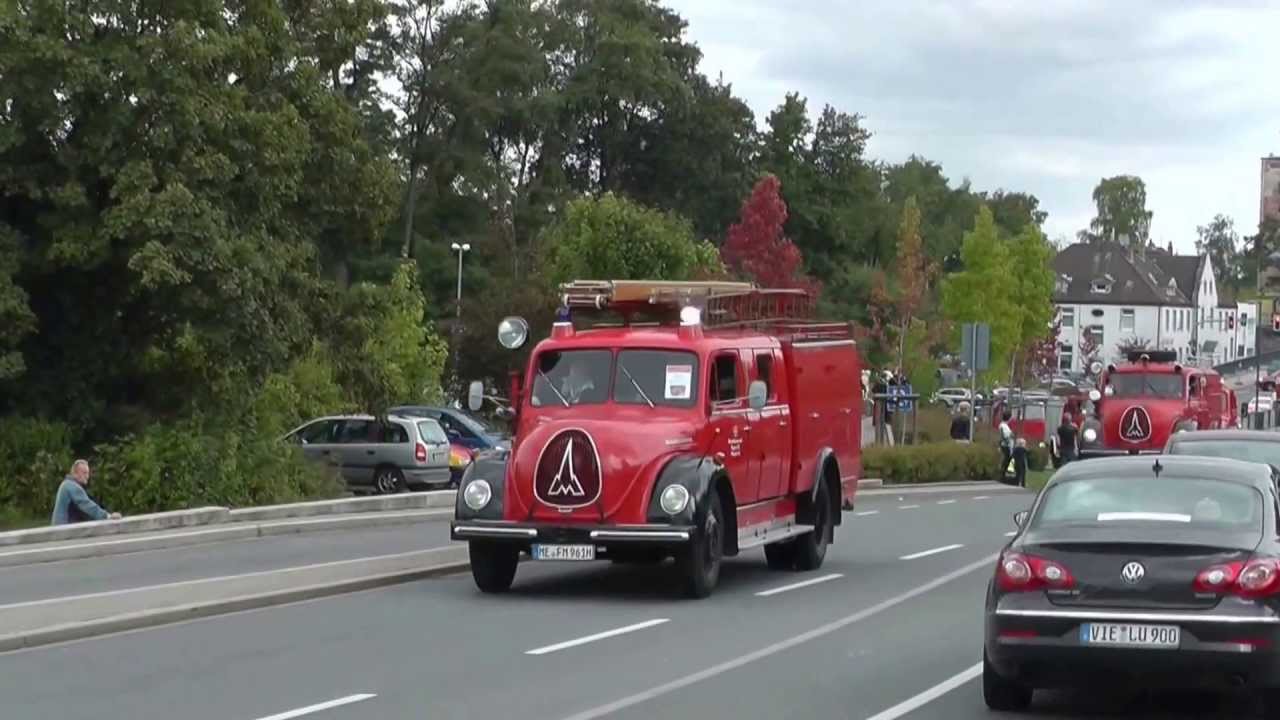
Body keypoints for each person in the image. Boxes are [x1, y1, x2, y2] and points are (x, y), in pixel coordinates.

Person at [51, 459, 121, 526]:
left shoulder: (67, 484)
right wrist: (107, 516)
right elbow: (87, 505)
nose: (87, 476)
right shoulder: (72, 486)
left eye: (88, 473)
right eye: (84, 473)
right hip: (63, 529)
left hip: (62, 527)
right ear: (75, 473)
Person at [998, 410, 1014, 480]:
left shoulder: (1004, 425)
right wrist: (1011, 435)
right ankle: (1002, 475)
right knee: (1006, 461)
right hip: (1005, 446)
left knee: (1007, 461)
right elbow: (1005, 436)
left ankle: (1004, 474)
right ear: (1009, 418)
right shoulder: (1003, 426)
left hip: (1007, 445)